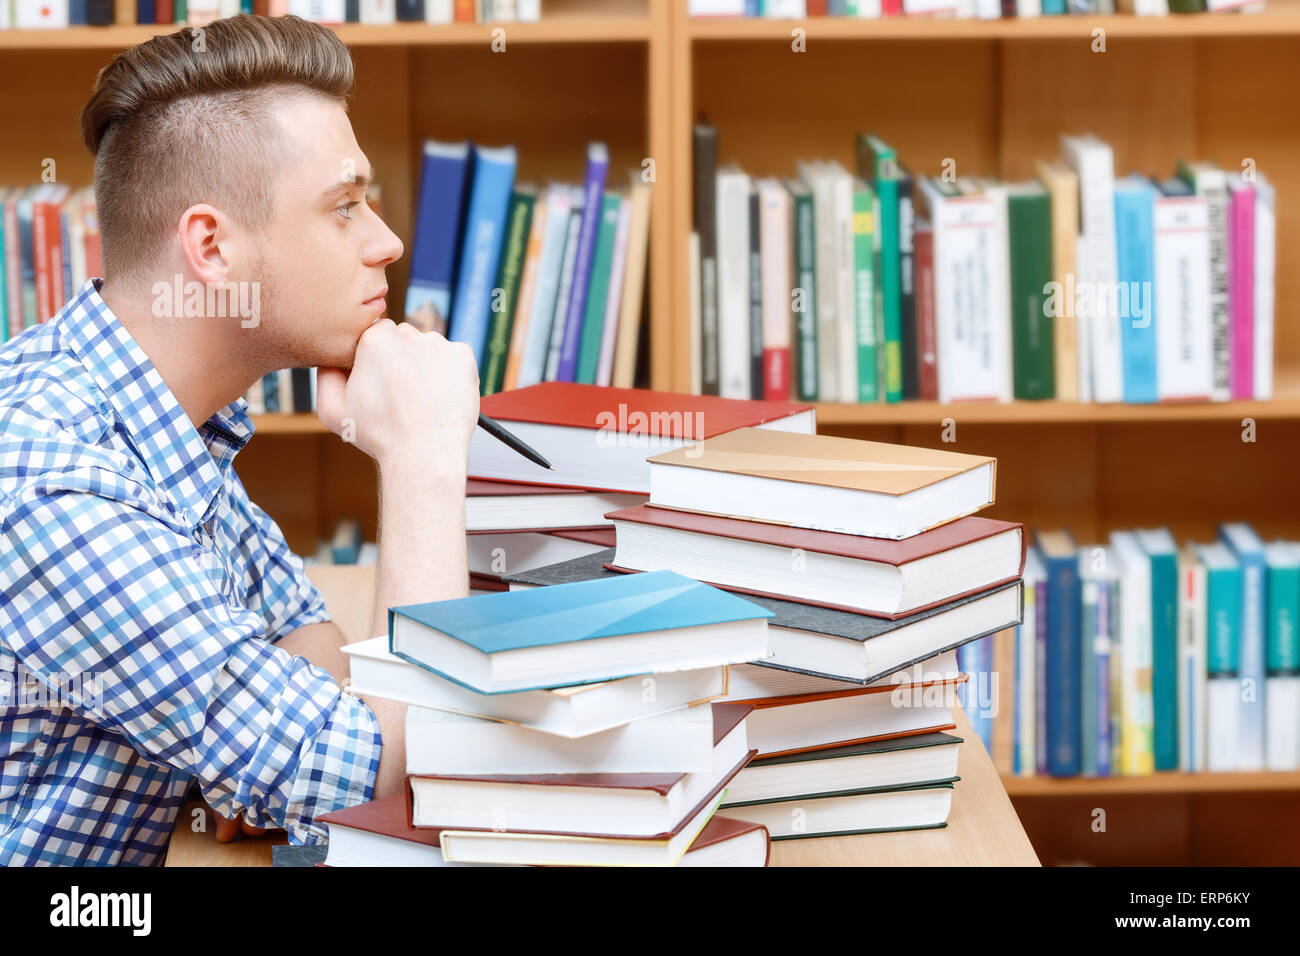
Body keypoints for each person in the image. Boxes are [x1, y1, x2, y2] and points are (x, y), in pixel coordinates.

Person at [0, 14, 479, 865]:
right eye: (345, 206)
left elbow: (312, 655)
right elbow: (380, 776)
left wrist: (299, 753)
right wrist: (422, 458)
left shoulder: (163, 420)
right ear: (211, 247)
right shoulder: (55, 483)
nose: (388, 242)